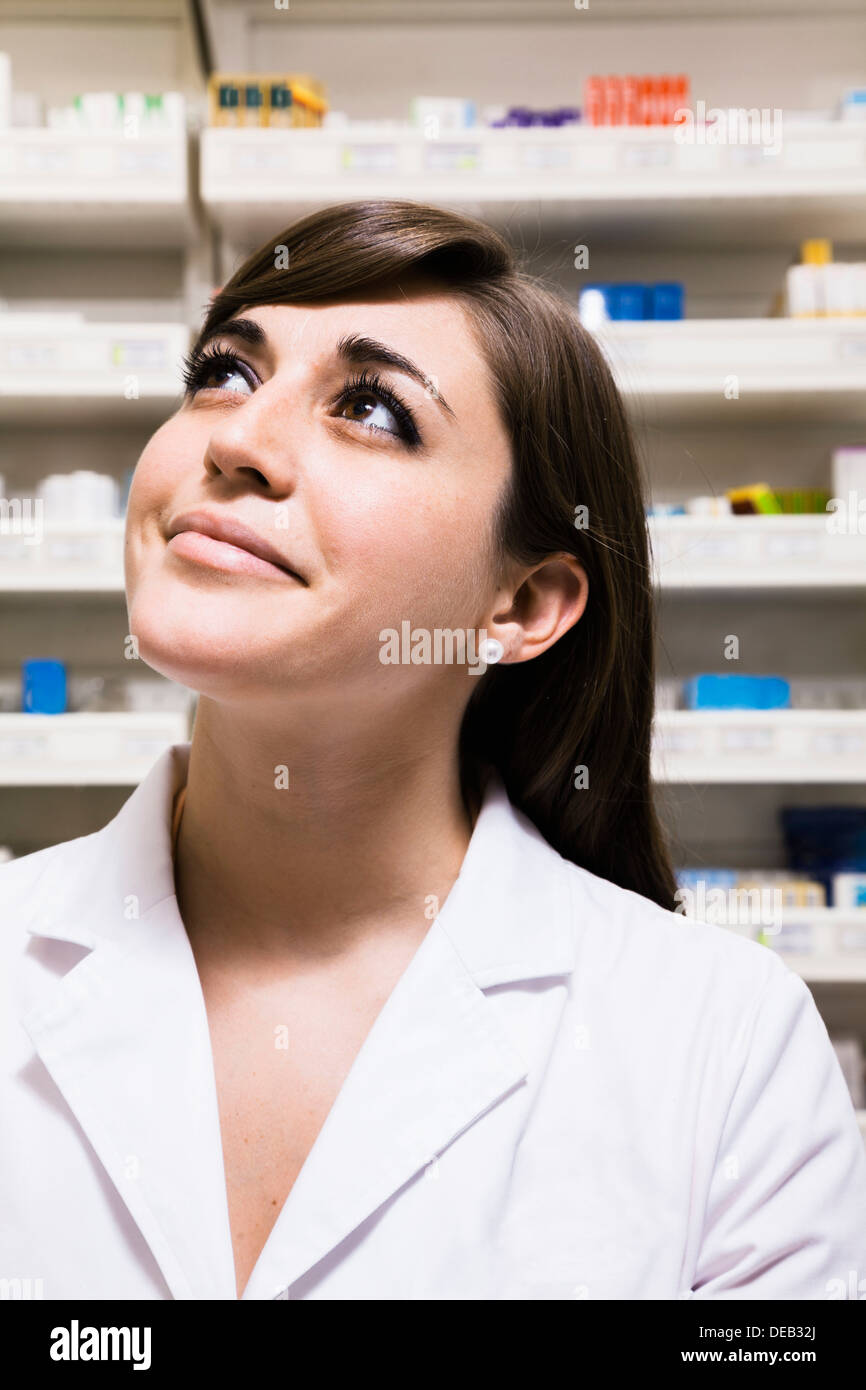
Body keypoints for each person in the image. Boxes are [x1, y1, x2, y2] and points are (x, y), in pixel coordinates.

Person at [3, 200, 865, 1301]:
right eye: (224, 371)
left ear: (520, 602)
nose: (236, 440)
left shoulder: (721, 1047)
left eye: (369, 408)